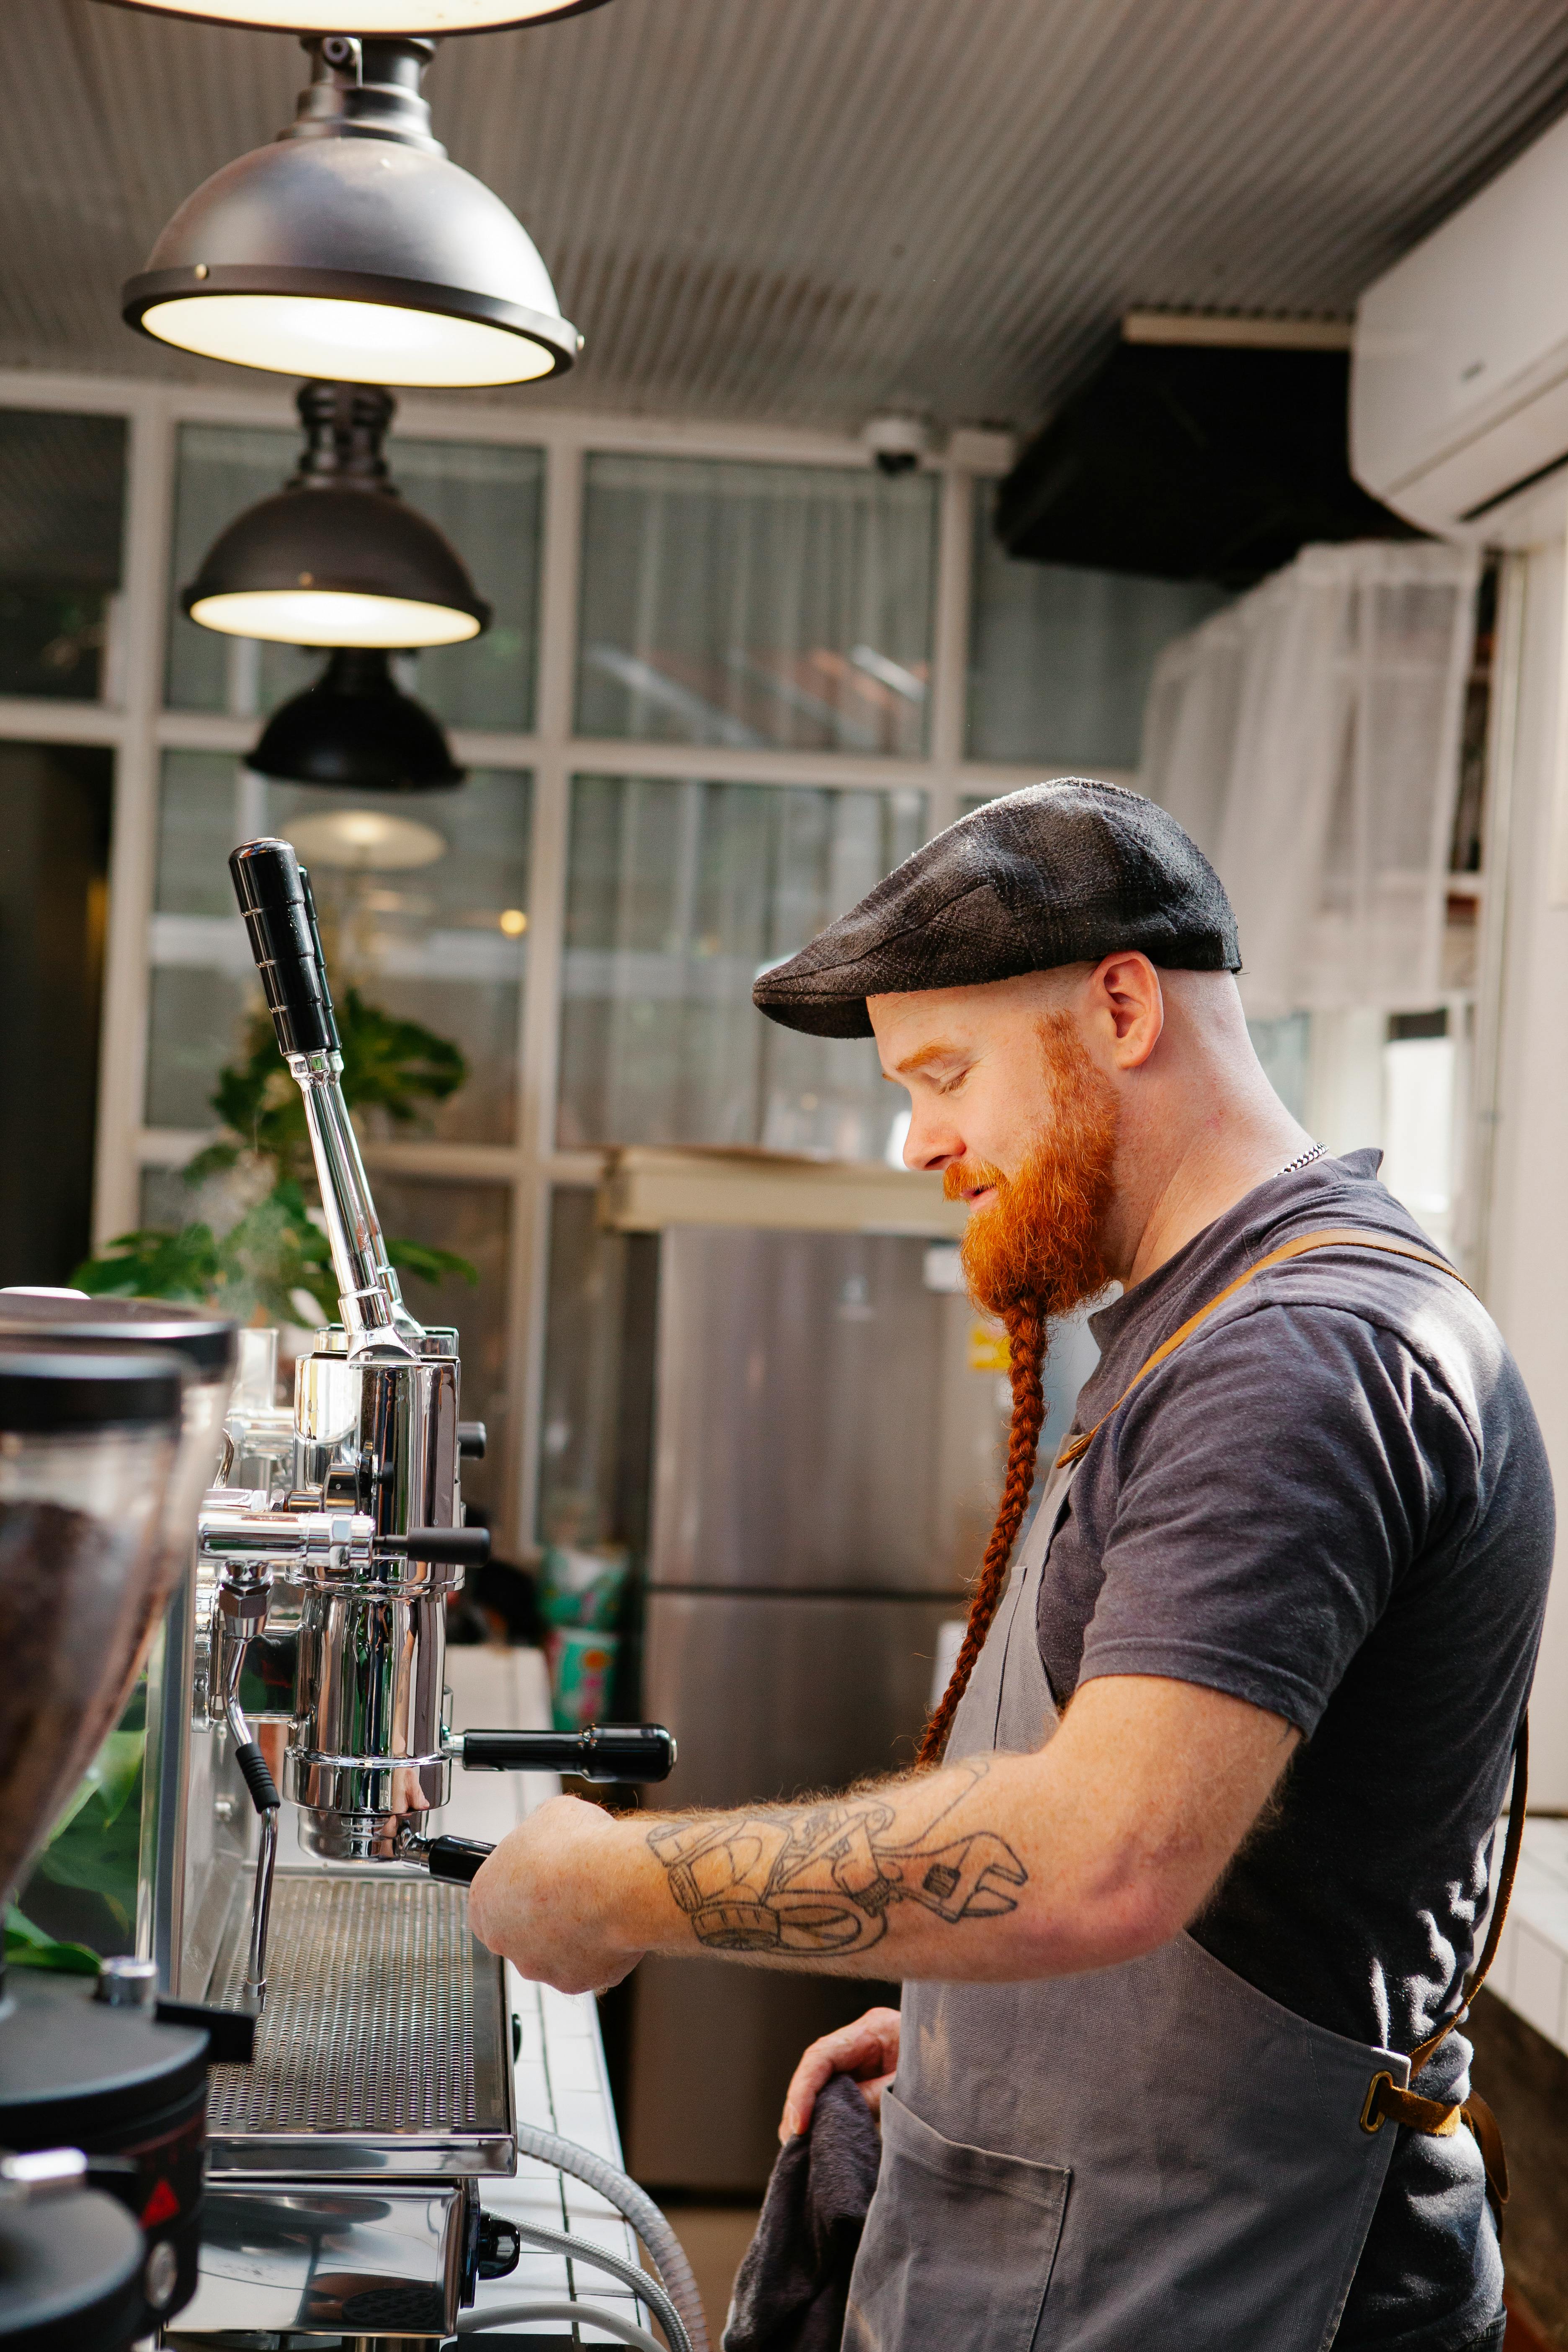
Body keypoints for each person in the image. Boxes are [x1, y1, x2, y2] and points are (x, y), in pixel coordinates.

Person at [470, 781, 1551, 2352]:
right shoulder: (1200, 1325)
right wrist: (985, 2037)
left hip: (1227, 2286)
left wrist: (626, 1883)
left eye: (942, 1072)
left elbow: (1107, 1853)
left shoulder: (1301, 1362)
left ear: (1121, 1005)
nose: (918, 1141)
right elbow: (1243, 1867)